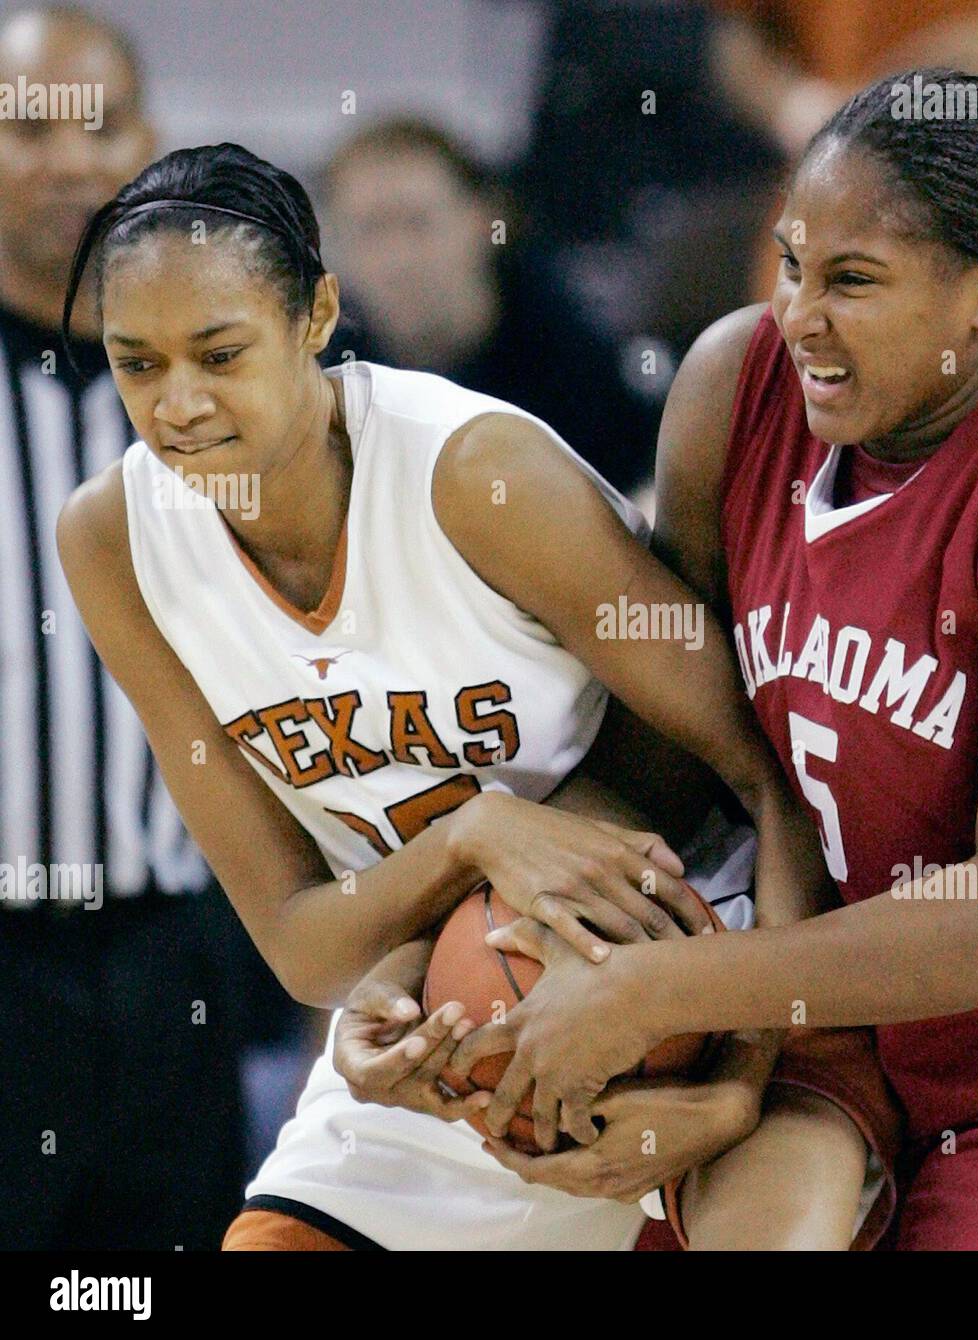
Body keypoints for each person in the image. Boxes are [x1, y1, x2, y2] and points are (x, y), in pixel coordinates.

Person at [442, 69, 978, 1251]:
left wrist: (659, 992)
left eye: (853, 281)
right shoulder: (732, 386)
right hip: (844, 1012)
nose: (799, 314)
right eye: (794, 264)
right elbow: (670, 759)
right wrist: (469, 942)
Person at [56, 142, 899, 1251]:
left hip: (695, 972)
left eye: (220, 352)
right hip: (449, 1023)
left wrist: (735, 1074)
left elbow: (760, 764)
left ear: (316, 316)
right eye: (138, 364)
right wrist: (469, 848)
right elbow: (305, 945)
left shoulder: (472, 476)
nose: (179, 405)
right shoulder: (114, 539)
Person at [0, 3, 251, 1250]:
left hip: (178, 948)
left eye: (102, 127)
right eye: (28, 126)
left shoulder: (235, 377)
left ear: (149, 144)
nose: (73, 161)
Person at [321, 117, 661, 497]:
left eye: (419, 224)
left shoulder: (583, 364)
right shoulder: (320, 379)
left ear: (481, 221)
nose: (398, 260)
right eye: (369, 230)